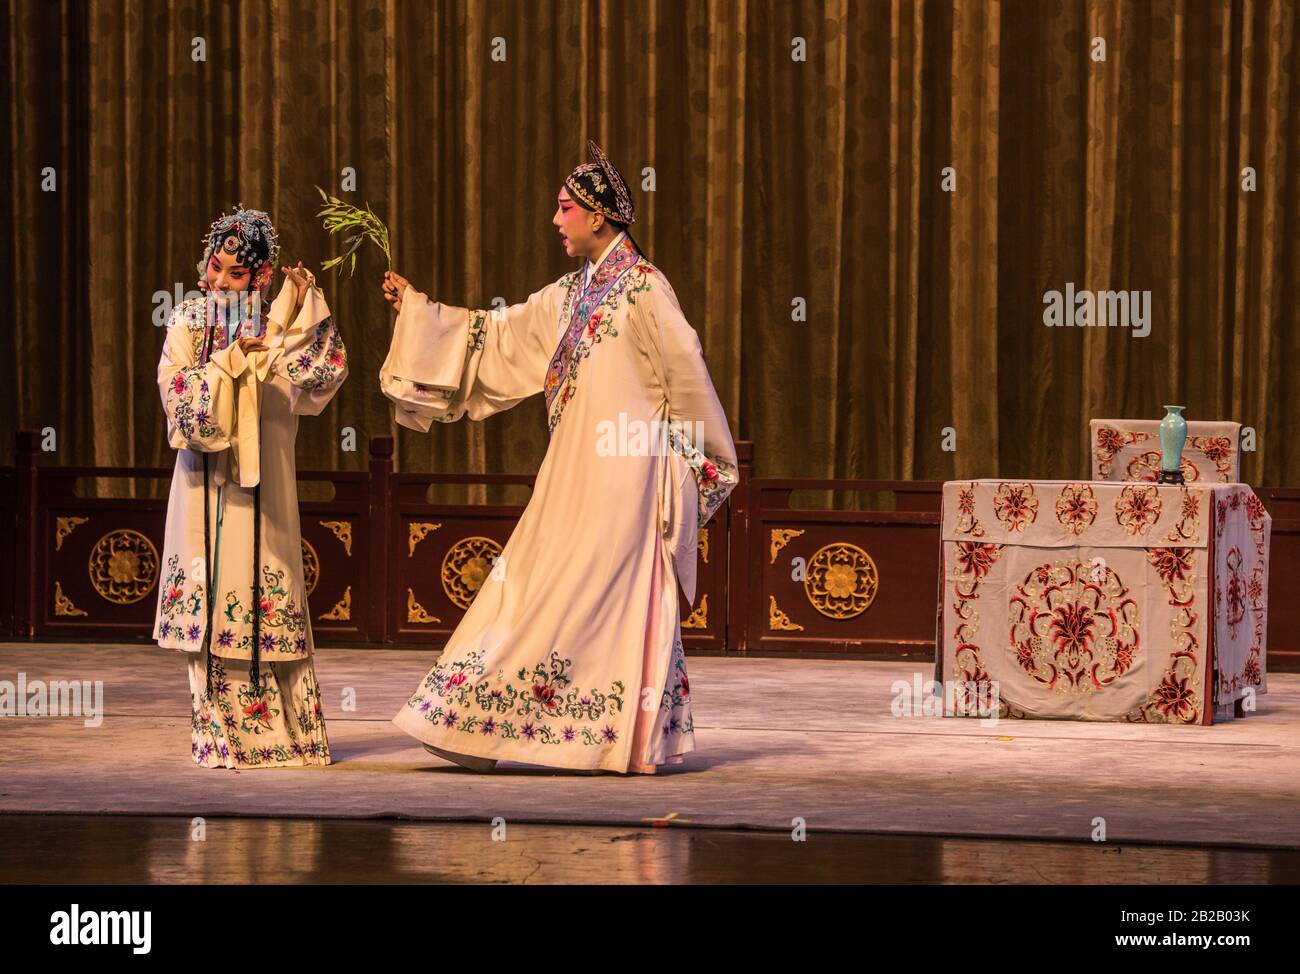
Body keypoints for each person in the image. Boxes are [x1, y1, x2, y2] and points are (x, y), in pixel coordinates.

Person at [379, 141, 737, 774]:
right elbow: (498, 335)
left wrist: (690, 466)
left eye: (565, 208)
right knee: (533, 588)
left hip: (628, 478)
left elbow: (688, 379)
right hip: (572, 474)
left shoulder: (647, 292)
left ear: (598, 217)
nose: (556, 219)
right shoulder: (569, 296)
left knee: (599, 600)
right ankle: (479, 724)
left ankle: (619, 741)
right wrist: (417, 309)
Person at [154, 206, 348, 768]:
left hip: (268, 490)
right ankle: (218, 733)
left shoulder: (277, 323)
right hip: (203, 487)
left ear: (261, 276)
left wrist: (308, 311)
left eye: (234, 274)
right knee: (212, 594)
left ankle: (290, 737)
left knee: (270, 589)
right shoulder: (190, 320)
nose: (217, 280)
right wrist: (232, 363)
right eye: (215, 267)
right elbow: (182, 402)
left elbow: (327, 372)